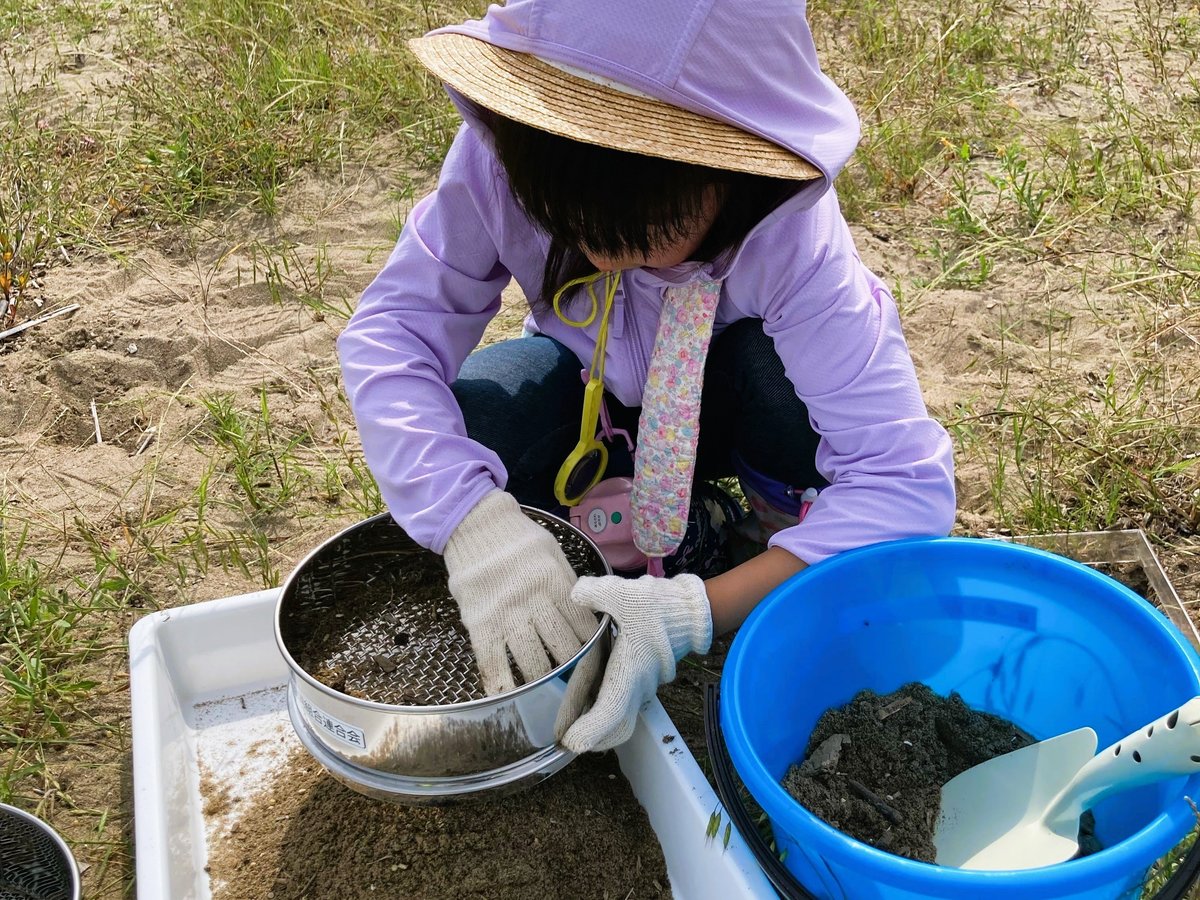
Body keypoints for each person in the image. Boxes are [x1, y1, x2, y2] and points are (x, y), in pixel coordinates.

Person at [337, 0, 956, 754]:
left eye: (639, 235)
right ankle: (602, 548)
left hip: (727, 414)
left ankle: (754, 542)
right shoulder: (500, 158)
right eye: (566, 224)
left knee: (775, 385)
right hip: (601, 417)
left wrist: (695, 613)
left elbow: (901, 481)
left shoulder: (791, 238)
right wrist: (472, 520)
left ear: (727, 172)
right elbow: (392, 333)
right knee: (483, 417)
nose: (598, 259)